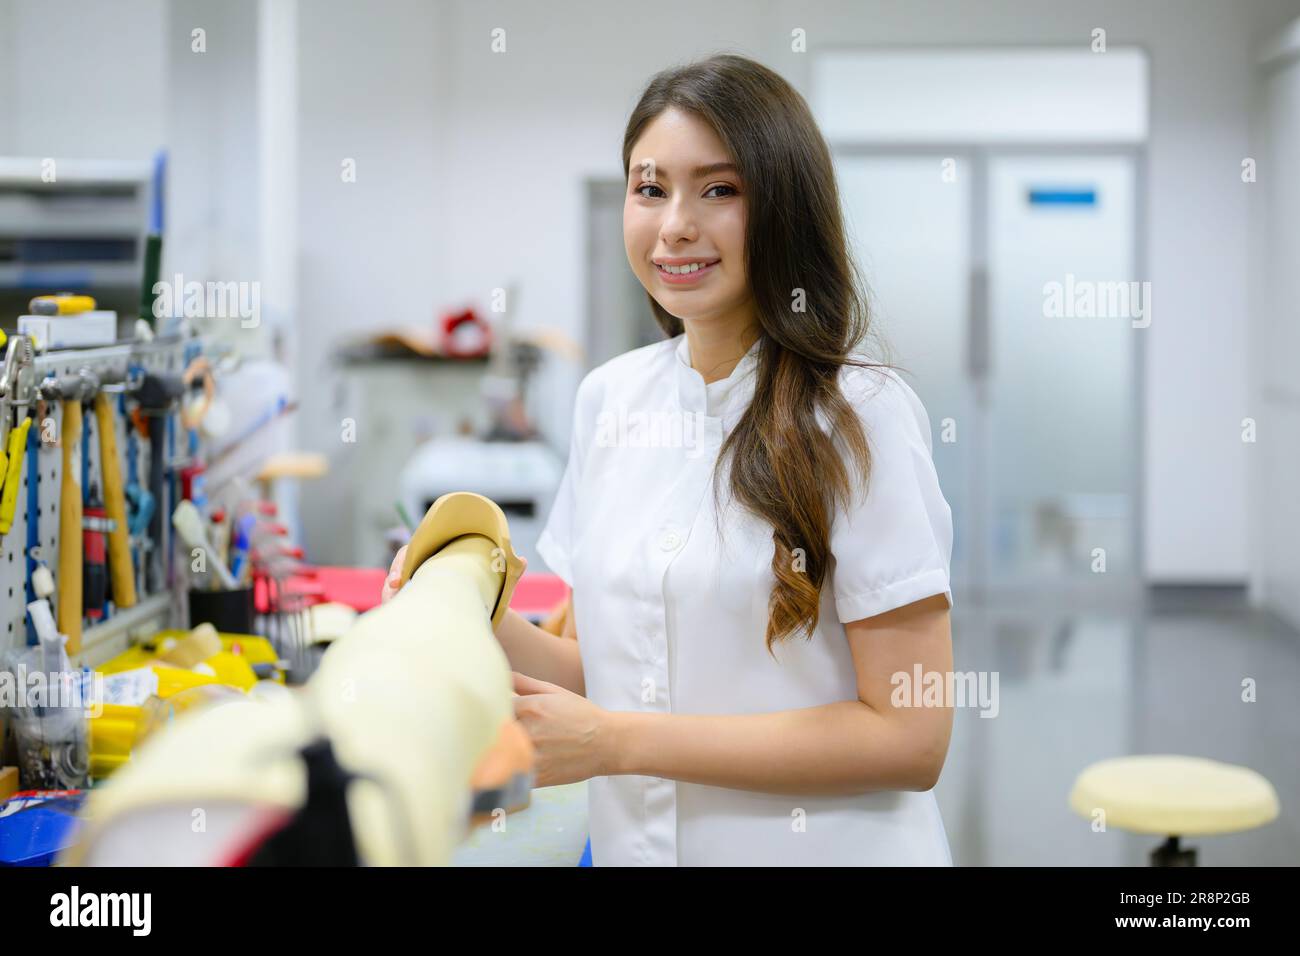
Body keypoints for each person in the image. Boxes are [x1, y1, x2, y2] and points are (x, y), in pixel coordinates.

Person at [385, 53, 955, 866]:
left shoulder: (859, 416)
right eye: (649, 188)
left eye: (719, 190)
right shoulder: (610, 401)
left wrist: (616, 743)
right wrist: (467, 609)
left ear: (784, 208)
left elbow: (910, 736)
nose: (675, 224)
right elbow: (604, 667)